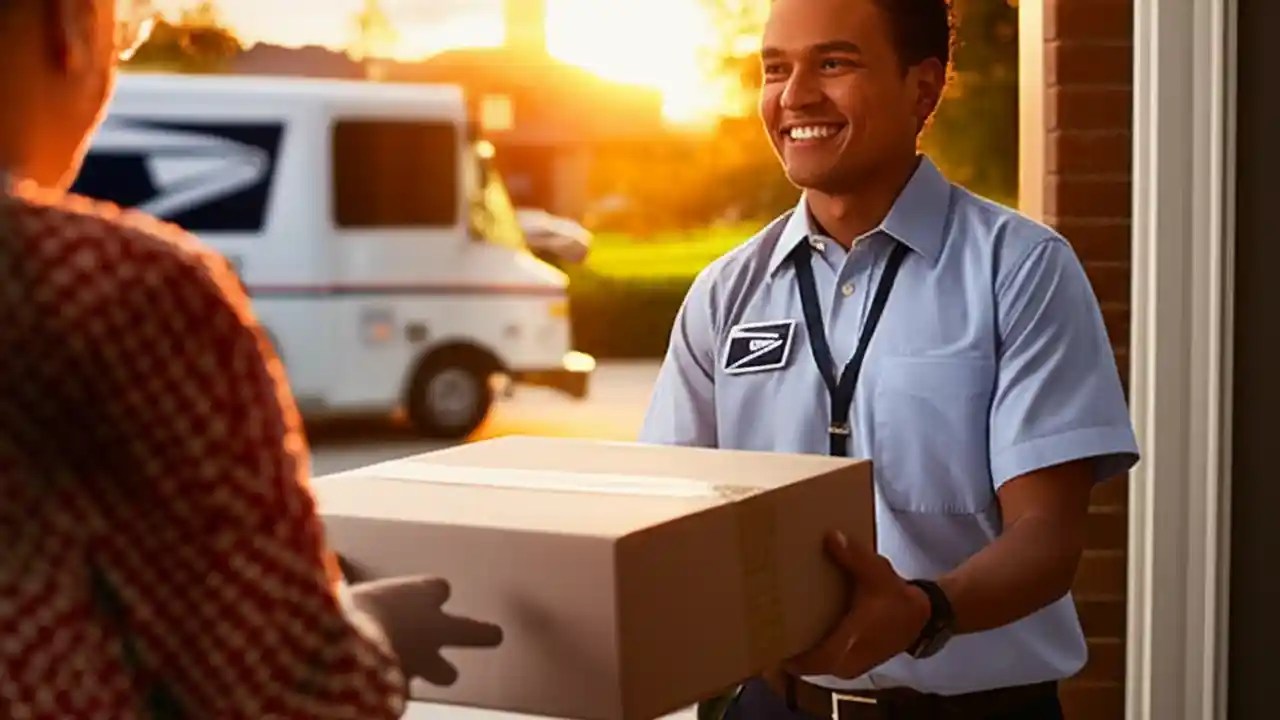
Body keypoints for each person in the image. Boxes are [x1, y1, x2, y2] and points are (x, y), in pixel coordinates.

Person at [639, 0, 1139, 718]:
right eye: (776, 69)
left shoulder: (1020, 271)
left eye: (833, 63)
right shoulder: (725, 294)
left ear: (923, 87)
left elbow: (1048, 537)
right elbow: (669, 516)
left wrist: (923, 610)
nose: (795, 96)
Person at [0, 2, 500, 718]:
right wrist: (375, 632)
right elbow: (290, 693)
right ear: (68, 29)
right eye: (125, 33)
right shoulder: (113, 290)